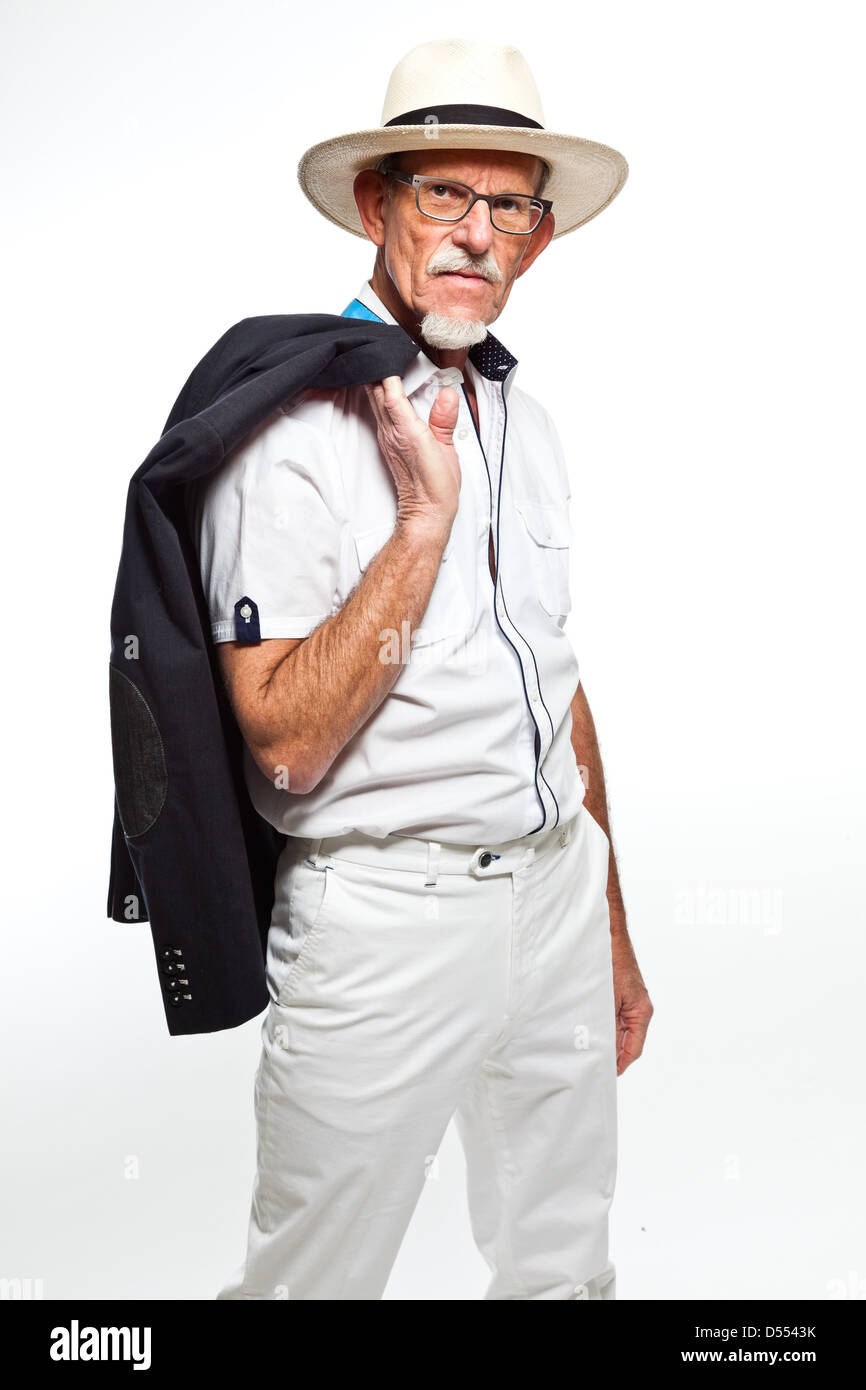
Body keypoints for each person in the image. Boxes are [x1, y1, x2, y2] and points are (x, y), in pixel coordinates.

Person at [188, 37, 653, 1301]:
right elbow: (280, 738)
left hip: (554, 900)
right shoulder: (287, 430)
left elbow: (549, 679)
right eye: (442, 195)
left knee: (563, 1262)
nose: (474, 232)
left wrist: (605, 926)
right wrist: (420, 528)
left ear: (539, 239)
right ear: (374, 206)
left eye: (506, 205)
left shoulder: (528, 421)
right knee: (313, 1285)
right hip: (383, 924)